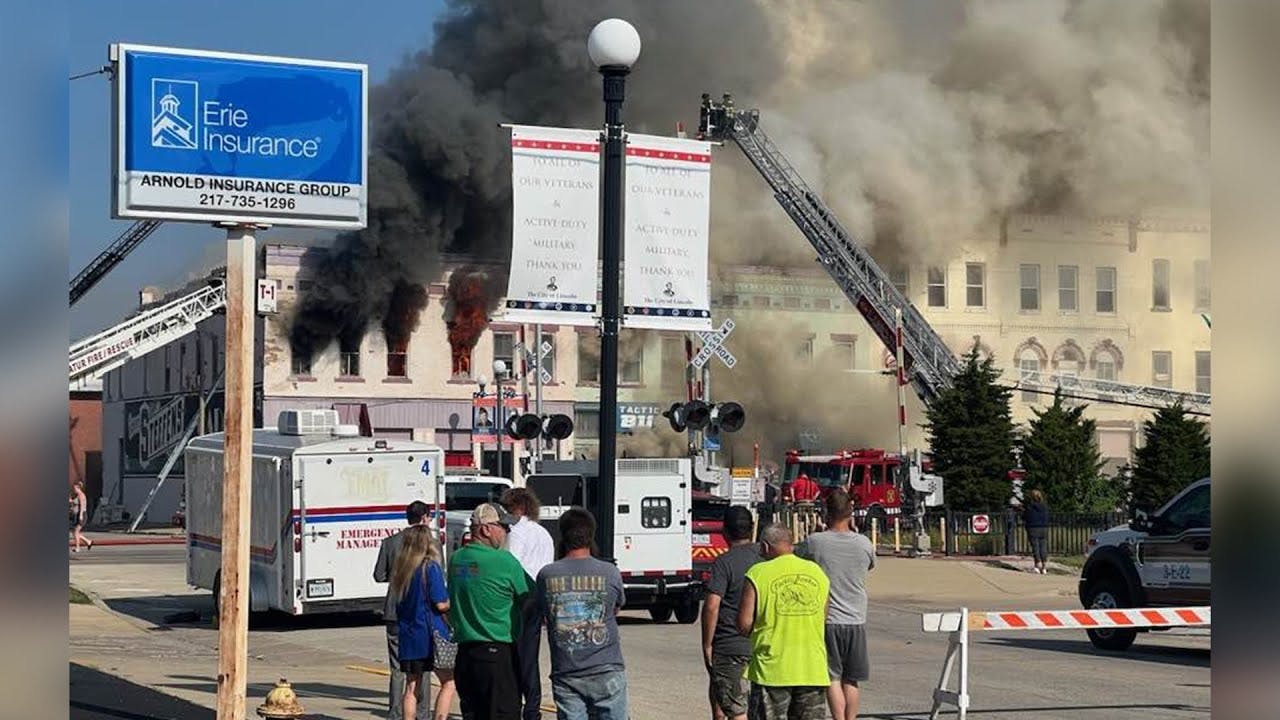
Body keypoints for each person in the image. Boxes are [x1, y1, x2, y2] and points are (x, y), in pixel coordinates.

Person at [537, 507, 627, 720]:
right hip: (607, 667)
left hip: (566, 670)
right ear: (591, 535)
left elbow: (544, 613)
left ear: (562, 535)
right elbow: (615, 608)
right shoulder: (610, 572)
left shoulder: (547, 575)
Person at [449, 502, 533, 720]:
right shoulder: (504, 561)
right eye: (503, 526)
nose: (506, 532)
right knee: (504, 713)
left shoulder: (457, 559)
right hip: (496, 652)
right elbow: (531, 596)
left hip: (465, 654)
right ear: (486, 529)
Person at [737, 523, 830, 720]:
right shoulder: (817, 572)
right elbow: (823, 617)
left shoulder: (757, 573)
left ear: (765, 546)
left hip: (772, 669)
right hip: (811, 668)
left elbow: (744, 623)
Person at [797, 490, 875, 720]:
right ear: (850, 514)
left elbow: (800, 559)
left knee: (831, 676)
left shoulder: (815, 542)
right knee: (851, 679)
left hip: (827, 618)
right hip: (856, 619)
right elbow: (870, 565)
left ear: (826, 513)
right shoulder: (863, 543)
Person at [701, 505, 762, 720]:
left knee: (729, 707)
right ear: (752, 528)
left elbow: (711, 606)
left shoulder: (723, 563)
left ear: (724, 532)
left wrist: (707, 644)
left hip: (729, 645)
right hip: (761, 645)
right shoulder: (765, 559)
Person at [375, 501, 434, 720]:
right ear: (425, 517)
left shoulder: (390, 543)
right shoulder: (430, 543)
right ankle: (422, 711)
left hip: (394, 608)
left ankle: (395, 711)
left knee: (397, 667)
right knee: (423, 665)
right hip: (420, 611)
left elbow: (379, 575)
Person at [500, 487, 555, 720]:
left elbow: (511, 568)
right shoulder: (544, 533)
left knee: (514, 656)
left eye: (508, 508)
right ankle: (533, 708)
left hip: (520, 597)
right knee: (530, 656)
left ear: (519, 508)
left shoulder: (516, 534)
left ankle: (515, 704)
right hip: (539, 596)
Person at [390, 525, 453, 720]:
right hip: (430, 634)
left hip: (409, 634)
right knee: (448, 682)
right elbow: (440, 604)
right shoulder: (430, 567)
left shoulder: (402, 571)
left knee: (411, 687)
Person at [1023, 490, 1050, 574]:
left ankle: (1037, 565)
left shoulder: (1030, 507)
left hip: (1033, 527)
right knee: (1043, 547)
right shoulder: (1044, 506)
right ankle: (1044, 567)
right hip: (1044, 528)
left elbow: (1025, 517)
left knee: (1035, 547)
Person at [70, 482, 92, 553]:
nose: (74, 490)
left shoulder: (81, 495)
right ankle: (88, 542)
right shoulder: (77, 495)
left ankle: (78, 548)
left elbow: (82, 506)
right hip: (78, 515)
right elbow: (75, 503)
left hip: (82, 515)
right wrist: (71, 501)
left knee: (76, 532)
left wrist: (81, 516)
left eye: (75, 488)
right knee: (74, 532)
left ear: (78, 488)